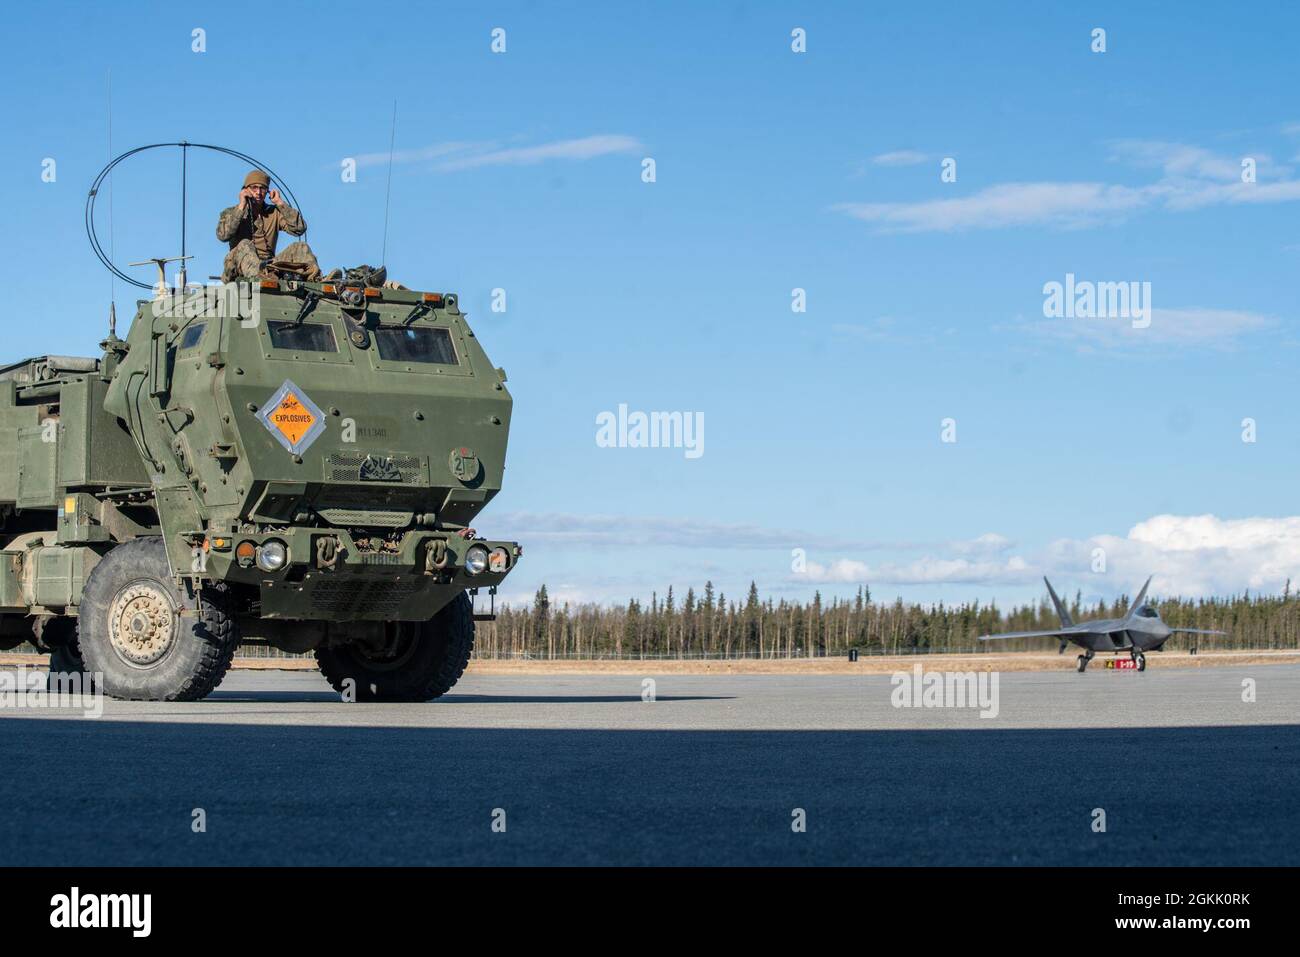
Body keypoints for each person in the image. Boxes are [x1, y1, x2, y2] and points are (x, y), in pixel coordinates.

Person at [216, 170, 321, 281]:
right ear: (245, 190)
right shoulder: (231, 212)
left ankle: (315, 278)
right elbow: (223, 235)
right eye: (254, 187)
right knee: (245, 244)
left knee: (300, 247)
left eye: (263, 188)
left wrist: (280, 203)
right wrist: (241, 206)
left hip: (269, 267)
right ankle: (260, 277)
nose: (258, 192)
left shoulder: (273, 212)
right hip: (237, 266)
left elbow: (299, 228)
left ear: (267, 191)